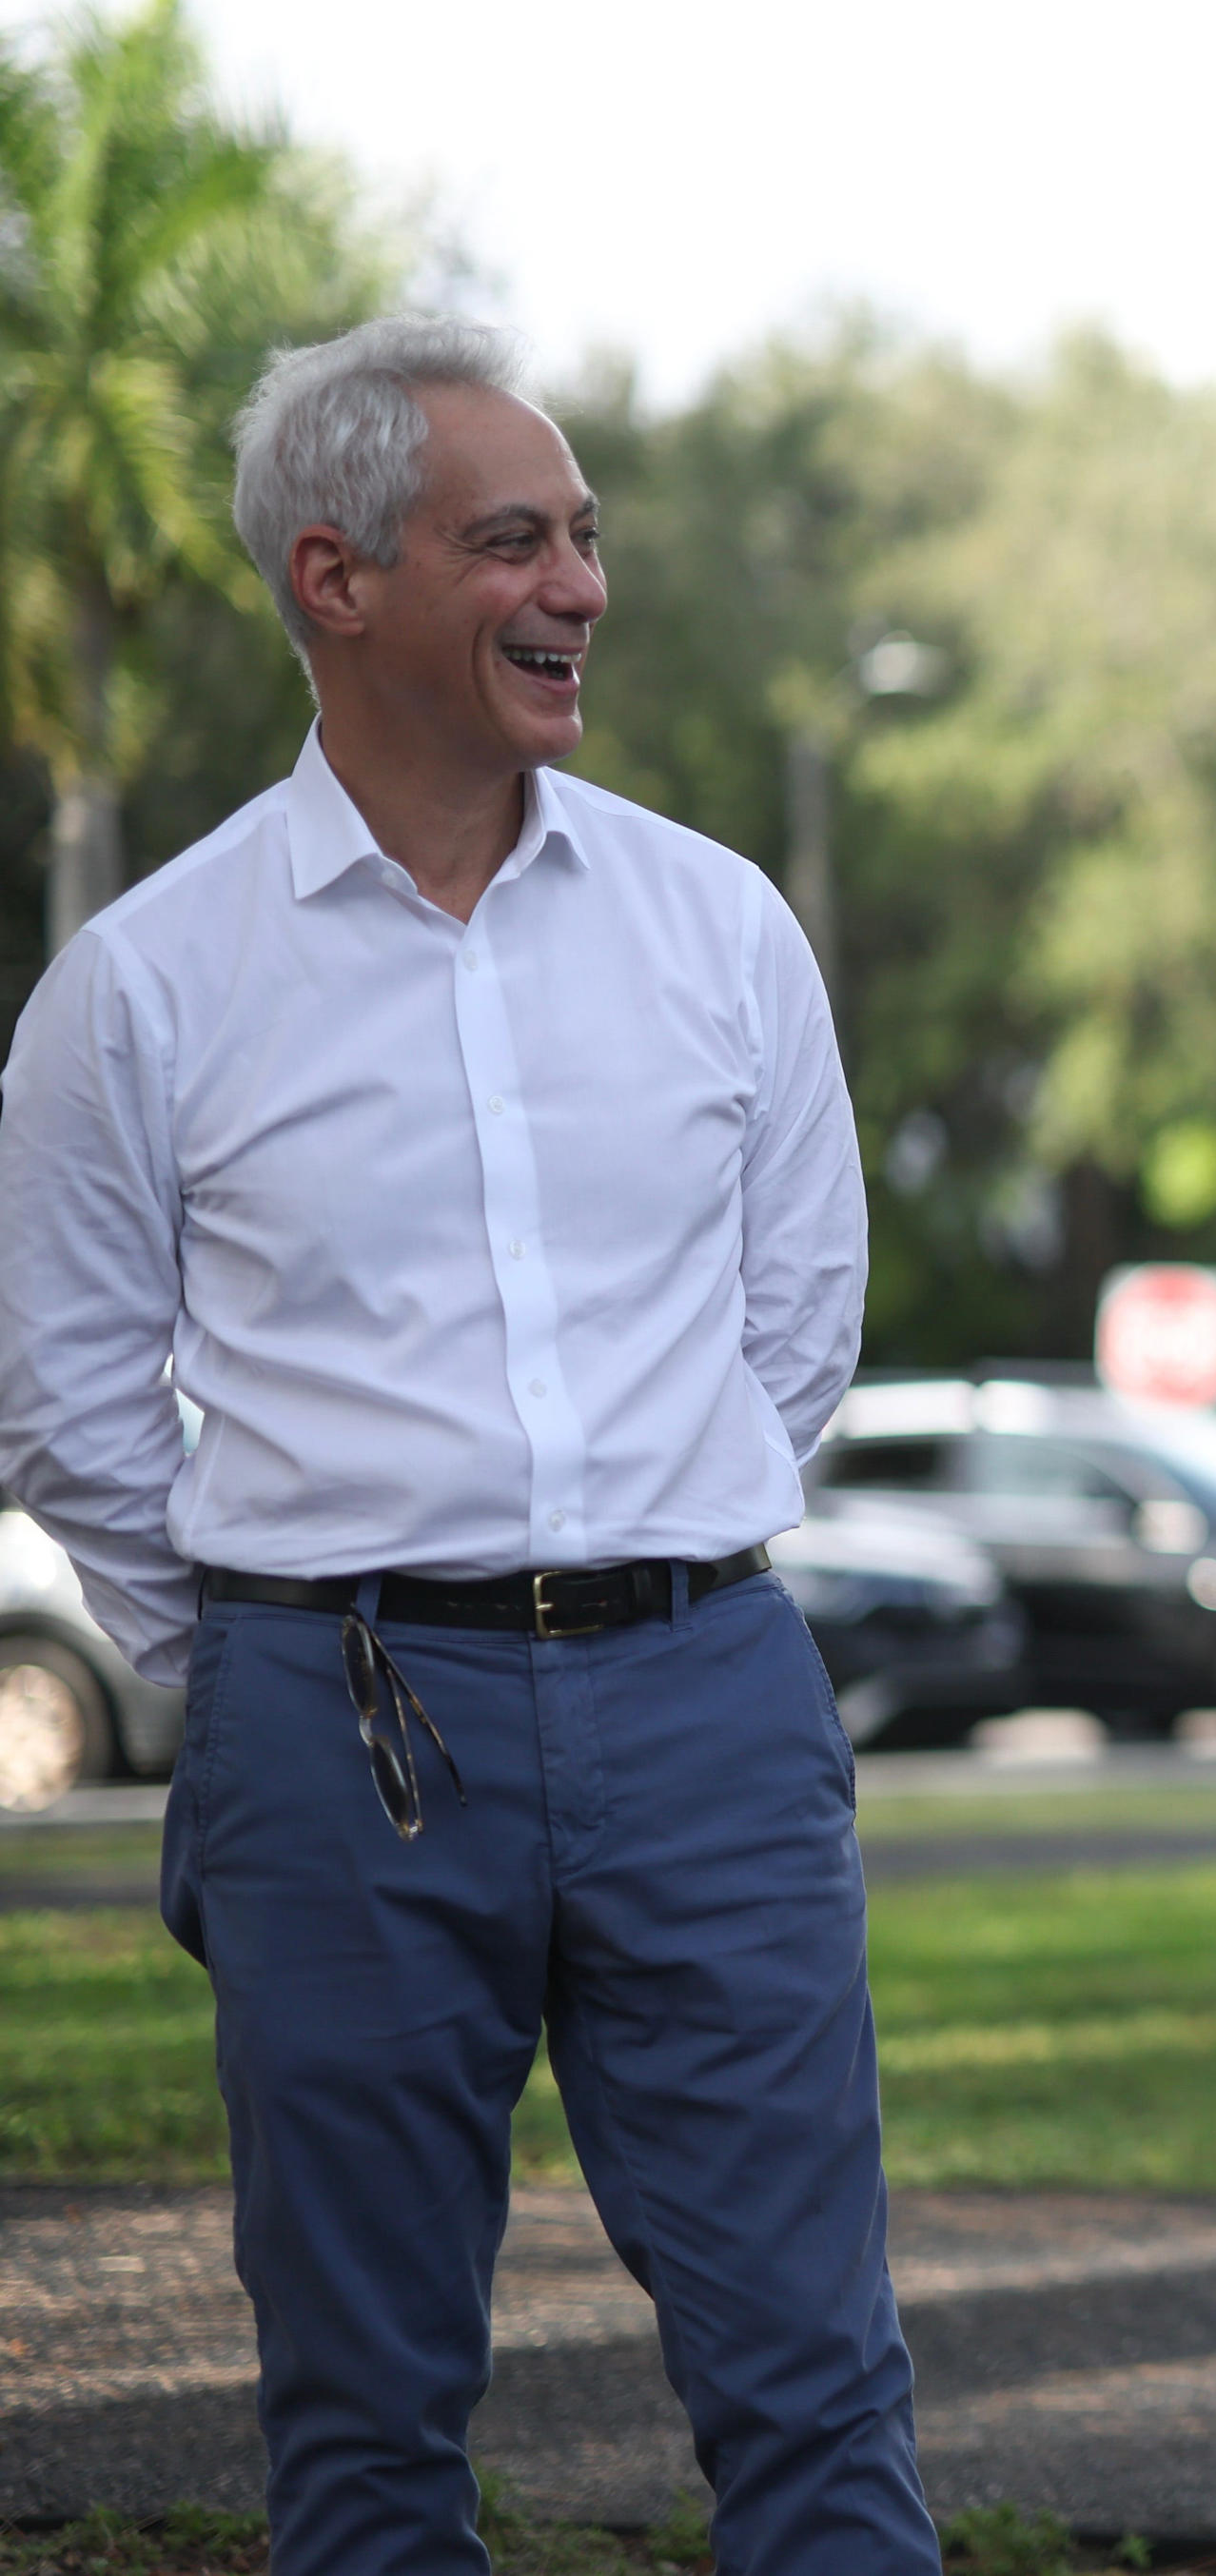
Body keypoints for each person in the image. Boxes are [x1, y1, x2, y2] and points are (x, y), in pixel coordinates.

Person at [0, 317, 936, 2574]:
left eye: (587, 537)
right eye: (512, 540)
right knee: (365, 2424)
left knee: (819, 2386)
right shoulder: (144, 983)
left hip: (706, 1702)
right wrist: (273, 1647)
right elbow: (66, 1390)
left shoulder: (719, 925)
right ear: (338, 579)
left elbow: (791, 1325)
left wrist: (638, 1549)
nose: (581, 587)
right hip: (335, 1736)